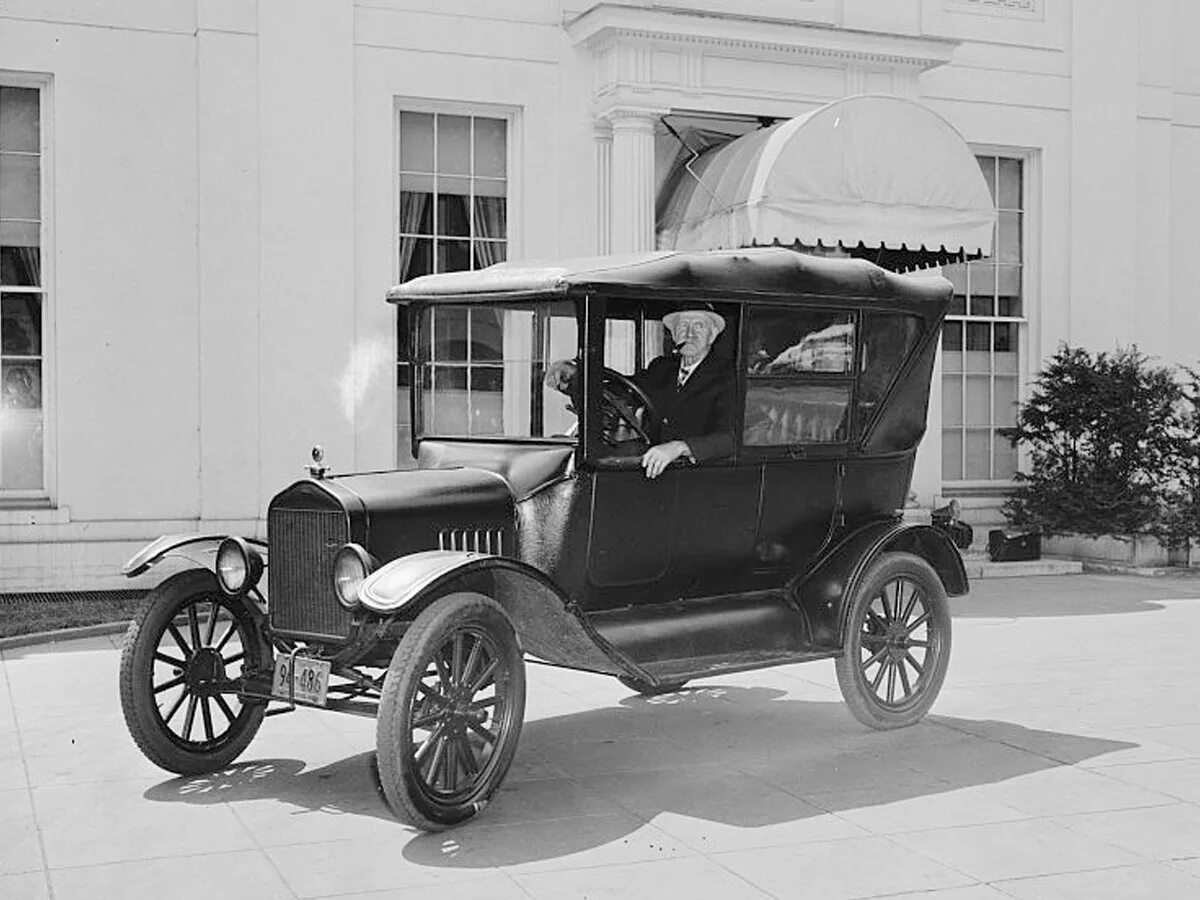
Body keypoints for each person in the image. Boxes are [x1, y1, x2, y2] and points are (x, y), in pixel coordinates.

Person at [545, 302, 734, 479]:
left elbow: (730, 438)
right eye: (683, 326)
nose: (690, 334)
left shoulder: (728, 377)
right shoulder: (662, 368)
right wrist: (573, 374)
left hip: (700, 477)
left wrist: (680, 447)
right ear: (675, 334)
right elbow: (621, 389)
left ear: (713, 335)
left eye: (699, 326)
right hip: (651, 471)